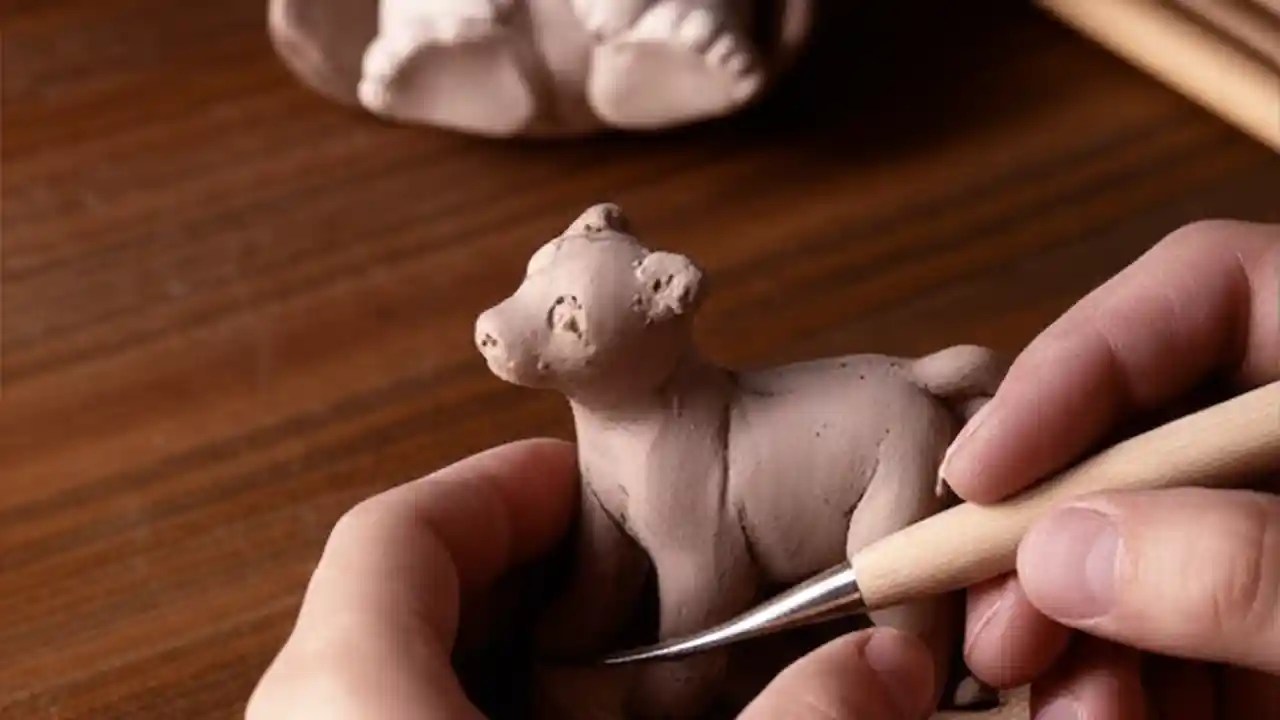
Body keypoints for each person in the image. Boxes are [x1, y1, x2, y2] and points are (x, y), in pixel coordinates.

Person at [247, 220, 1279, 719]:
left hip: (881, 441)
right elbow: (613, 552)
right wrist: (573, 633)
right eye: (536, 289)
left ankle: (928, 674)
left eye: (562, 319)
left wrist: (652, 697)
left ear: (661, 303)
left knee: (894, 570)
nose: (514, 323)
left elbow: (700, 590)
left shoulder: (680, 449)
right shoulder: (613, 441)